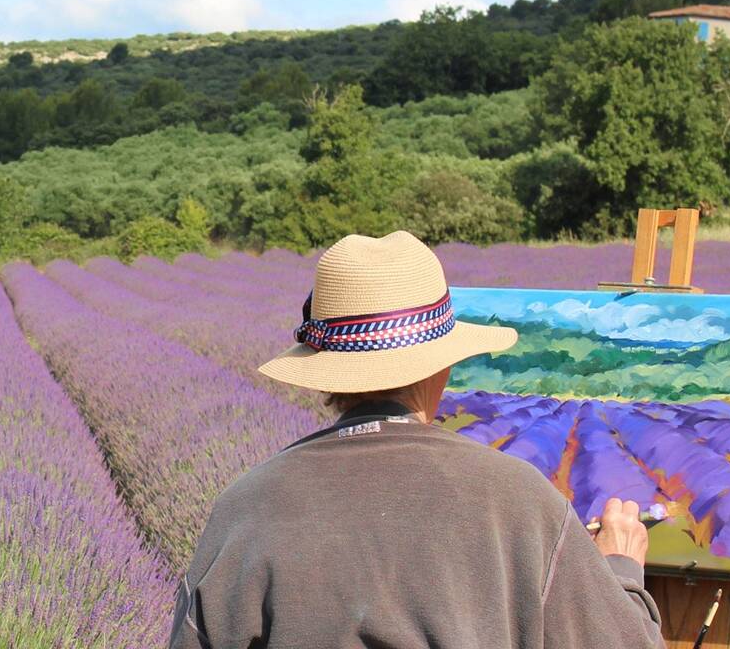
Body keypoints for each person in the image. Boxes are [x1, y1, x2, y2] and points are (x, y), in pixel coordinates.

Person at [168, 231, 664, 648]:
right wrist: (619, 571)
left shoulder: (245, 508)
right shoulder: (520, 501)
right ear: (442, 365)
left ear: (322, 373)